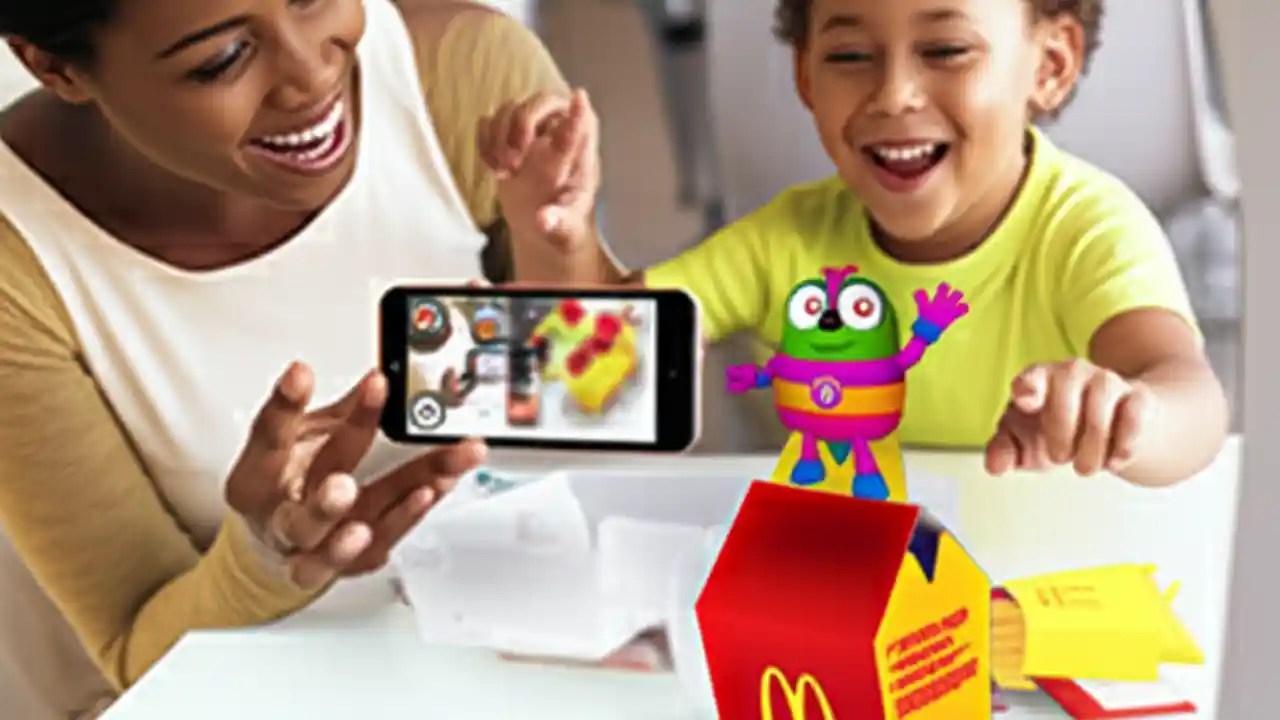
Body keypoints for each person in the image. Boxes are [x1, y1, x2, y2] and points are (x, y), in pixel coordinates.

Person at [0, 0, 599, 717]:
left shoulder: (459, 75)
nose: (313, 71)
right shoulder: (19, 262)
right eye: (222, 59)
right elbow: (135, 647)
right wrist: (263, 557)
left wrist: (556, 254)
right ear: (56, 69)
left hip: (478, 675)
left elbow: (595, 423)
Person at [482, 0, 1229, 485]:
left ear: (1050, 65)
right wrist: (550, 227)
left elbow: (1191, 397)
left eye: (945, 50)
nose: (894, 94)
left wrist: (1129, 413)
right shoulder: (786, 240)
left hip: (1046, 604)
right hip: (851, 604)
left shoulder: (1088, 229)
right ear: (806, 74)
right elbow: (588, 374)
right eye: (848, 57)